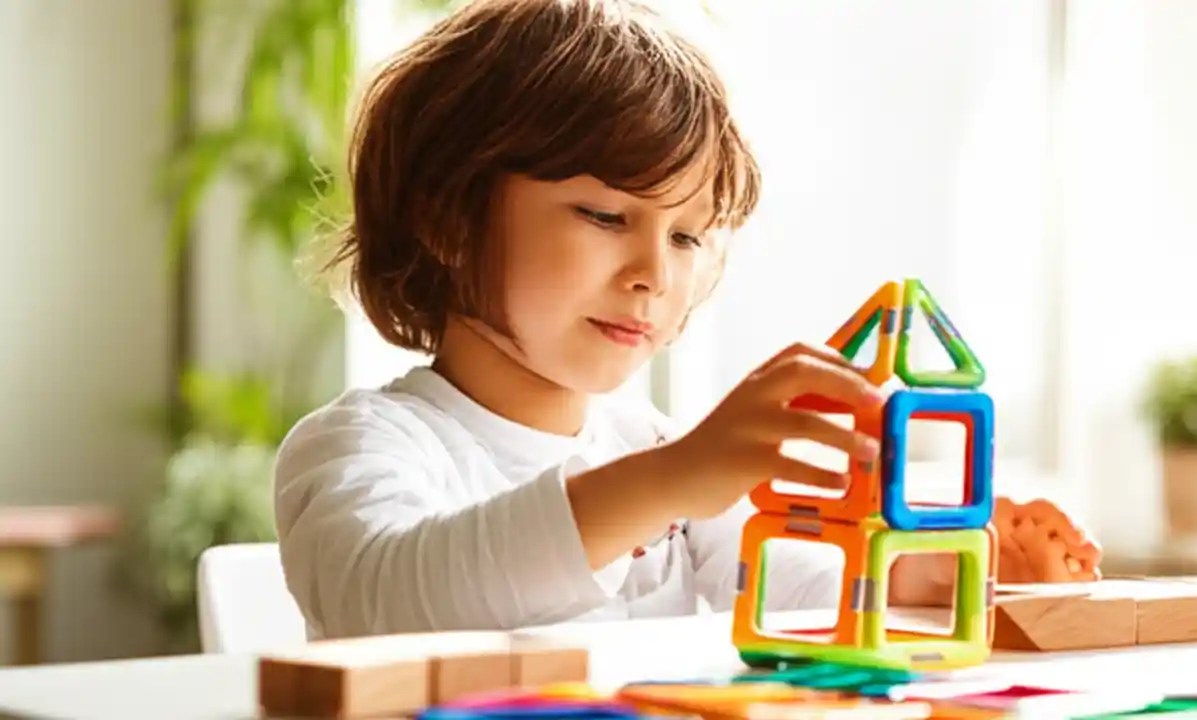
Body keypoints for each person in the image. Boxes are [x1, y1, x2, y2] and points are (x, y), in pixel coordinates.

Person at [274, 0, 1101, 642]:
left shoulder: (652, 448)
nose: (654, 275)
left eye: (687, 235)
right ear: (446, 219)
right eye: (603, 215)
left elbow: (812, 585)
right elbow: (385, 602)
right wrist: (675, 477)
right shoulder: (359, 445)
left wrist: (957, 565)